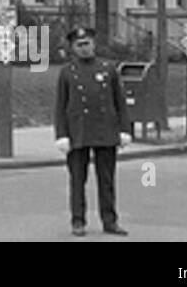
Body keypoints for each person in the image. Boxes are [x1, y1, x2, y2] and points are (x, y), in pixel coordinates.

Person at [54, 26, 132, 236]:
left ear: (93, 44)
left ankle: (110, 221)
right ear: (73, 48)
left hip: (105, 131)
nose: (84, 48)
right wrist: (61, 135)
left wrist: (124, 129)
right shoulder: (67, 72)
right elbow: (60, 107)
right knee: (78, 180)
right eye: (79, 45)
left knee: (106, 180)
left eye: (87, 43)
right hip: (78, 131)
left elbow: (120, 102)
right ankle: (78, 221)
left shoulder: (108, 68)